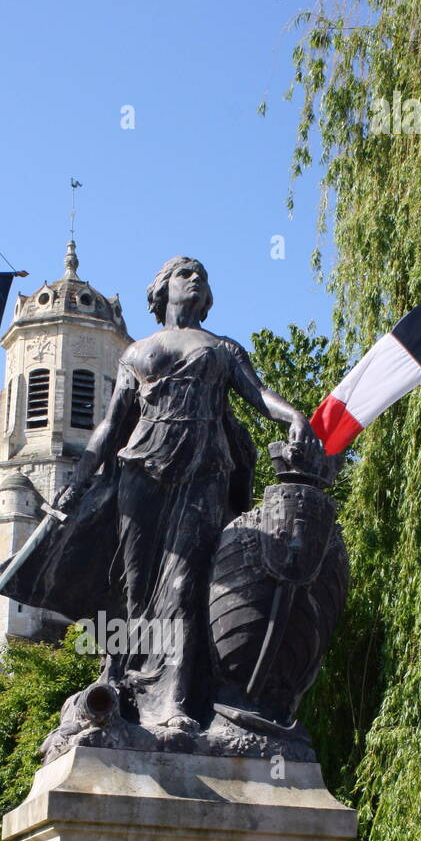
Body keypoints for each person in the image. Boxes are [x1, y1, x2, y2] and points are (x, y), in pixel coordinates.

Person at [56, 255, 323, 732]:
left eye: (202, 274)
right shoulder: (137, 351)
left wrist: (294, 417)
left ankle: (172, 701)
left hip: (203, 473)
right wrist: (78, 481)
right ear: (161, 290)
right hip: (141, 471)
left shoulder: (221, 348)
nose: (196, 279)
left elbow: (258, 396)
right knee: (135, 587)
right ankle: (124, 683)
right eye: (184, 273)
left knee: (183, 586)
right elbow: (111, 425)